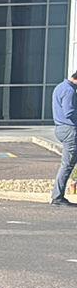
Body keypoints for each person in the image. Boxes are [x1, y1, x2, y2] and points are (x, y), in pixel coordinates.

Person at [53, 69, 77, 206]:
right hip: (69, 130)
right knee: (67, 165)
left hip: (61, 128)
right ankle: (57, 197)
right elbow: (69, 113)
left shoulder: (61, 86)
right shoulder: (70, 91)